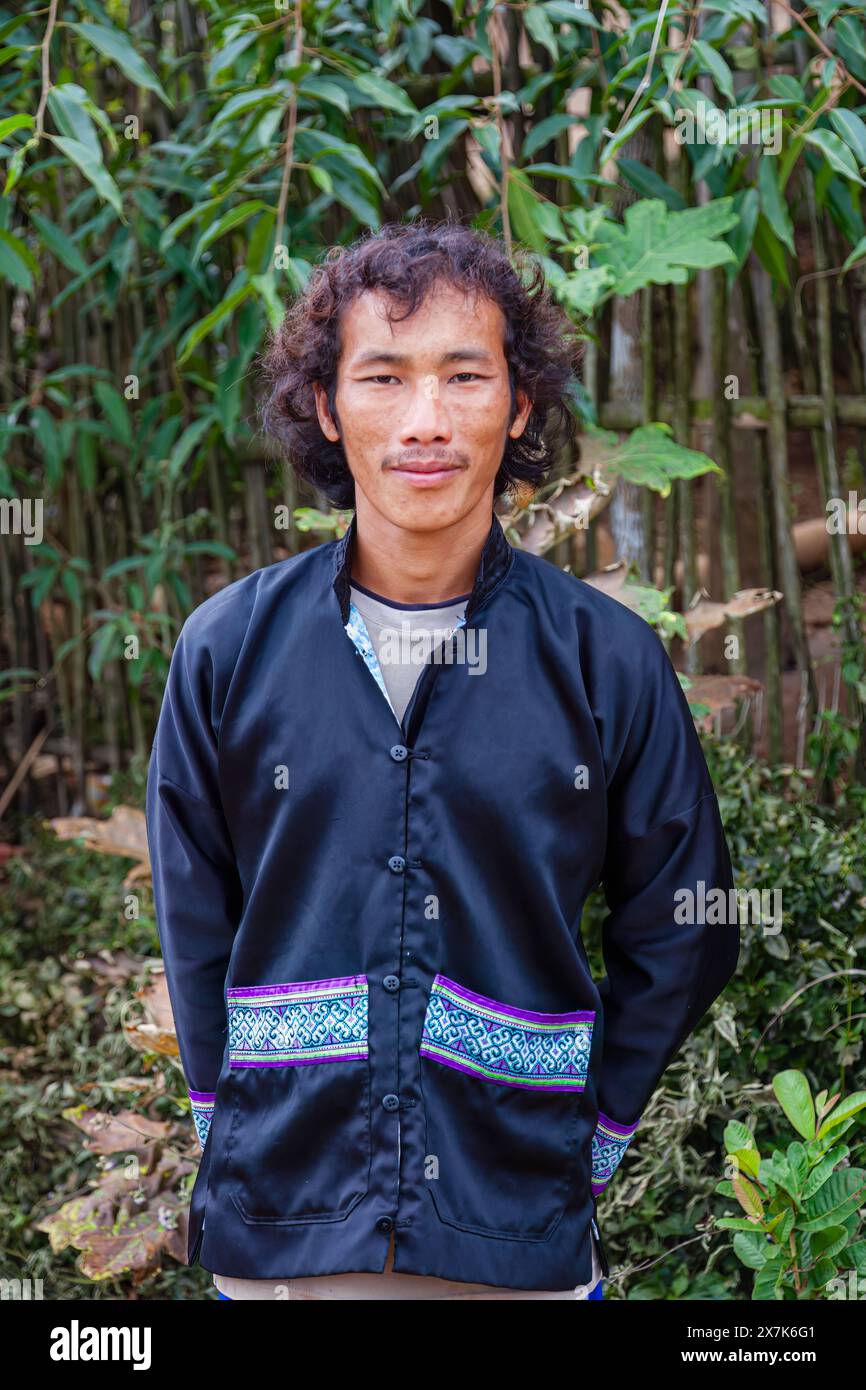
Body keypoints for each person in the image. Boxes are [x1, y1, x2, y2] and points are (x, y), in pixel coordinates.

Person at [145, 219, 740, 1301]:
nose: (425, 421)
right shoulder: (228, 649)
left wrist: (587, 1134)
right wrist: (227, 1124)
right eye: (382, 376)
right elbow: (195, 920)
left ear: (517, 406)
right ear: (325, 406)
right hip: (282, 1235)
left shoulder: (601, 660)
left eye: (464, 375)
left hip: (515, 1231)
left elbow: (683, 923)